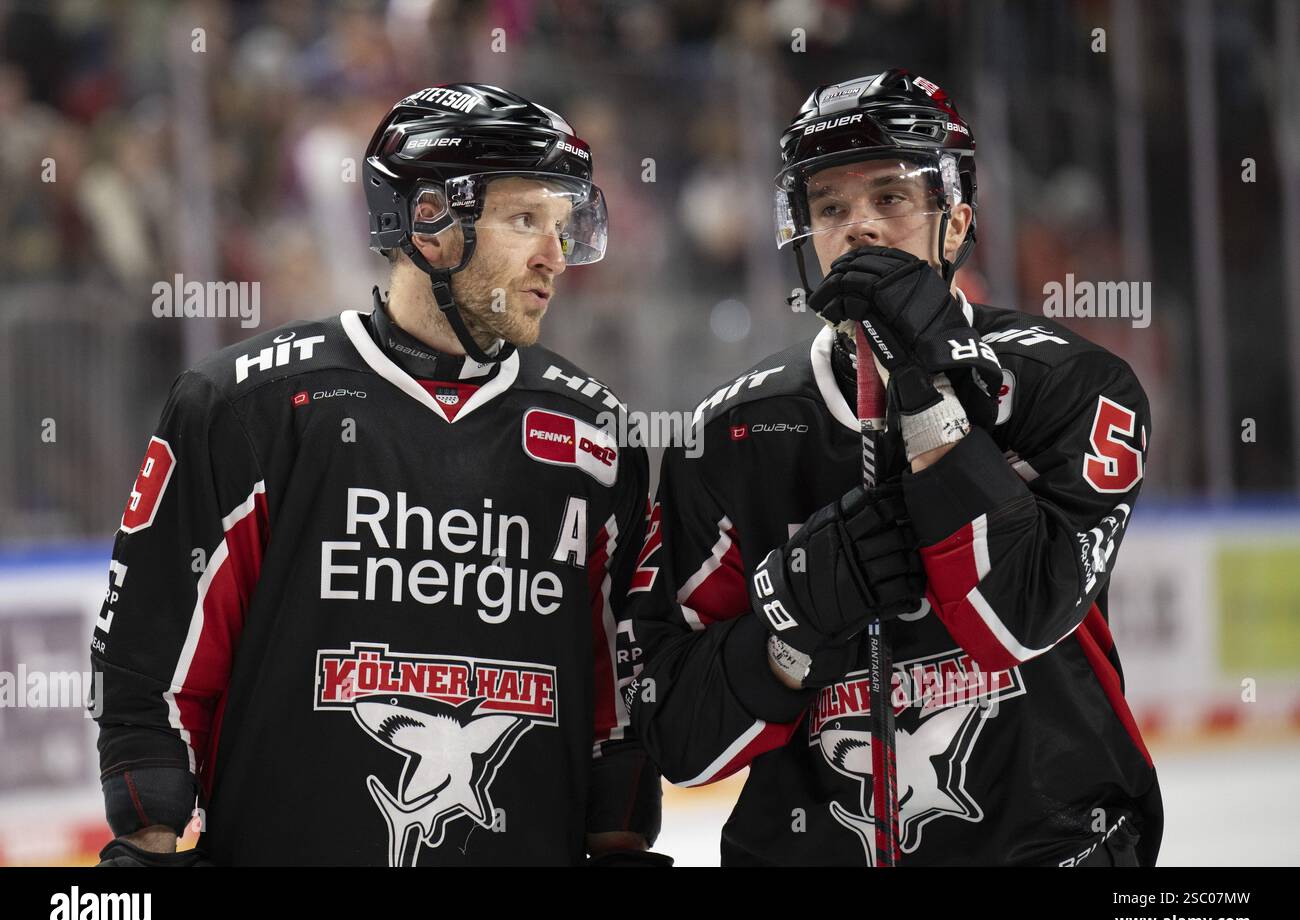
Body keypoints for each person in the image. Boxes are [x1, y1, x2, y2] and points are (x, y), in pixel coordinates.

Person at [90, 83, 664, 866]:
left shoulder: (596, 435)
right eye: (526, 220)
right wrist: (146, 837)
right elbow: (149, 663)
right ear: (429, 223)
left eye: (563, 227)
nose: (554, 258)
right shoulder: (250, 408)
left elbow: (617, 697)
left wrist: (622, 836)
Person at [624, 69, 1161, 866]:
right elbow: (682, 743)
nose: (859, 229)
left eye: (892, 198)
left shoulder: (1071, 386)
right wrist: (794, 617)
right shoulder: (731, 435)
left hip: (1049, 845)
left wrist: (928, 387)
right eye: (831, 208)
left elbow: (1014, 622)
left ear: (957, 223)